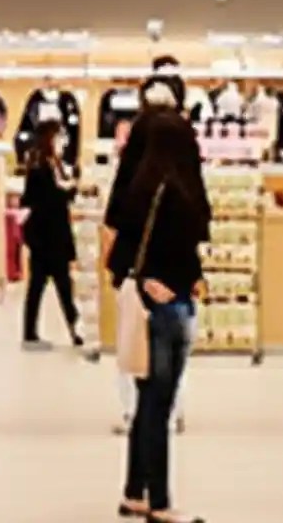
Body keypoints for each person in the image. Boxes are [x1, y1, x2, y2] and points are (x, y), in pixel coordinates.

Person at [114, 109, 210, 523]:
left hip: (152, 302)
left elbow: (117, 253)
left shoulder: (139, 186)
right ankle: (160, 501)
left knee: (147, 401)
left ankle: (136, 491)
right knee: (159, 406)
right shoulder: (179, 188)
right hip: (170, 307)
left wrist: (140, 278)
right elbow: (188, 244)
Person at [105, 74, 195, 436]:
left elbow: (116, 221)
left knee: (134, 355)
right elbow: (196, 229)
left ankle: (136, 418)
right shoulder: (184, 175)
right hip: (174, 285)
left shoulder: (134, 173)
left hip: (138, 278)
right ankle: (169, 414)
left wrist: (123, 271)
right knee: (171, 367)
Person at [20, 119, 82, 349]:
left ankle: (67, 328)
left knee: (50, 285)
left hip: (50, 234)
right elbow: (46, 197)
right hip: (47, 235)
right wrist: (68, 190)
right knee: (53, 284)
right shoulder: (39, 165)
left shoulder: (51, 163)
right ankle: (71, 328)